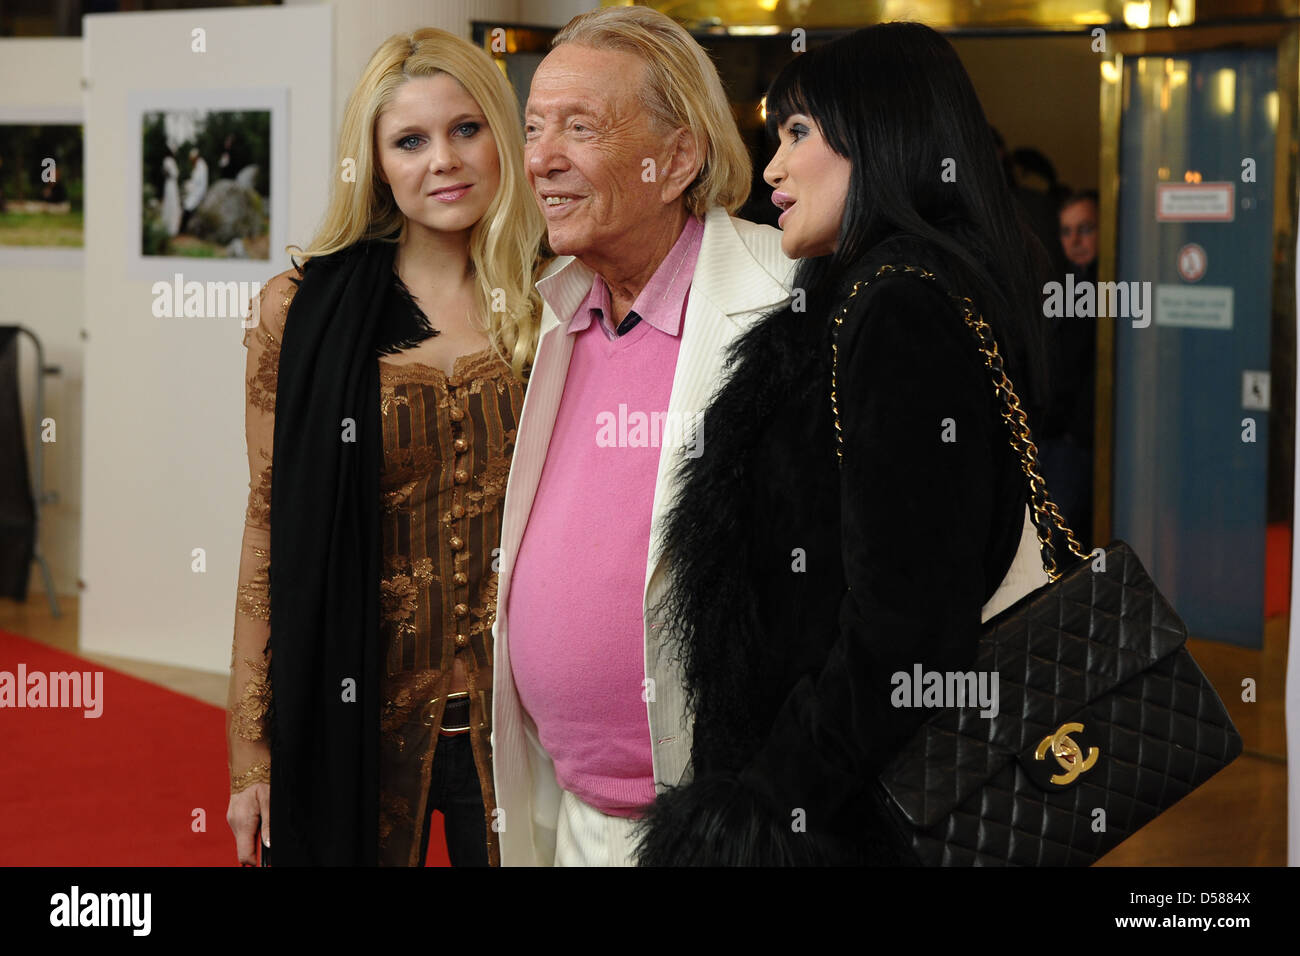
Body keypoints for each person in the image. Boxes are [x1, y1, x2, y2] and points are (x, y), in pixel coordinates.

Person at [632, 21, 1052, 865]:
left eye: (796, 134)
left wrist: (764, 803)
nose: (774, 169)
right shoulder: (873, 293)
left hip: (853, 820)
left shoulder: (899, 305)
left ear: (882, 138)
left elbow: (905, 628)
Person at [225, 27, 547, 867]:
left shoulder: (560, 296)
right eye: (410, 140)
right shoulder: (297, 314)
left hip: (527, 721)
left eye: (466, 128)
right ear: (372, 161)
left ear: (502, 136)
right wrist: (251, 754)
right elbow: (269, 534)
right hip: (353, 718)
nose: (443, 159)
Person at [490, 4, 795, 866]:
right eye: (535, 127)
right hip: (573, 813)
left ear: (679, 158)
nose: (540, 159)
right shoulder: (553, 310)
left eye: (578, 128)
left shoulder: (789, 294)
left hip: (731, 827)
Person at [1038, 189, 1100, 547]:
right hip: (1052, 436)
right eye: (1067, 231)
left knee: (1058, 548)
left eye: (1085, 229)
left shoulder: (1111, 283)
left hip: (1076, 441)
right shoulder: (1062, 282)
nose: (1075, 240)